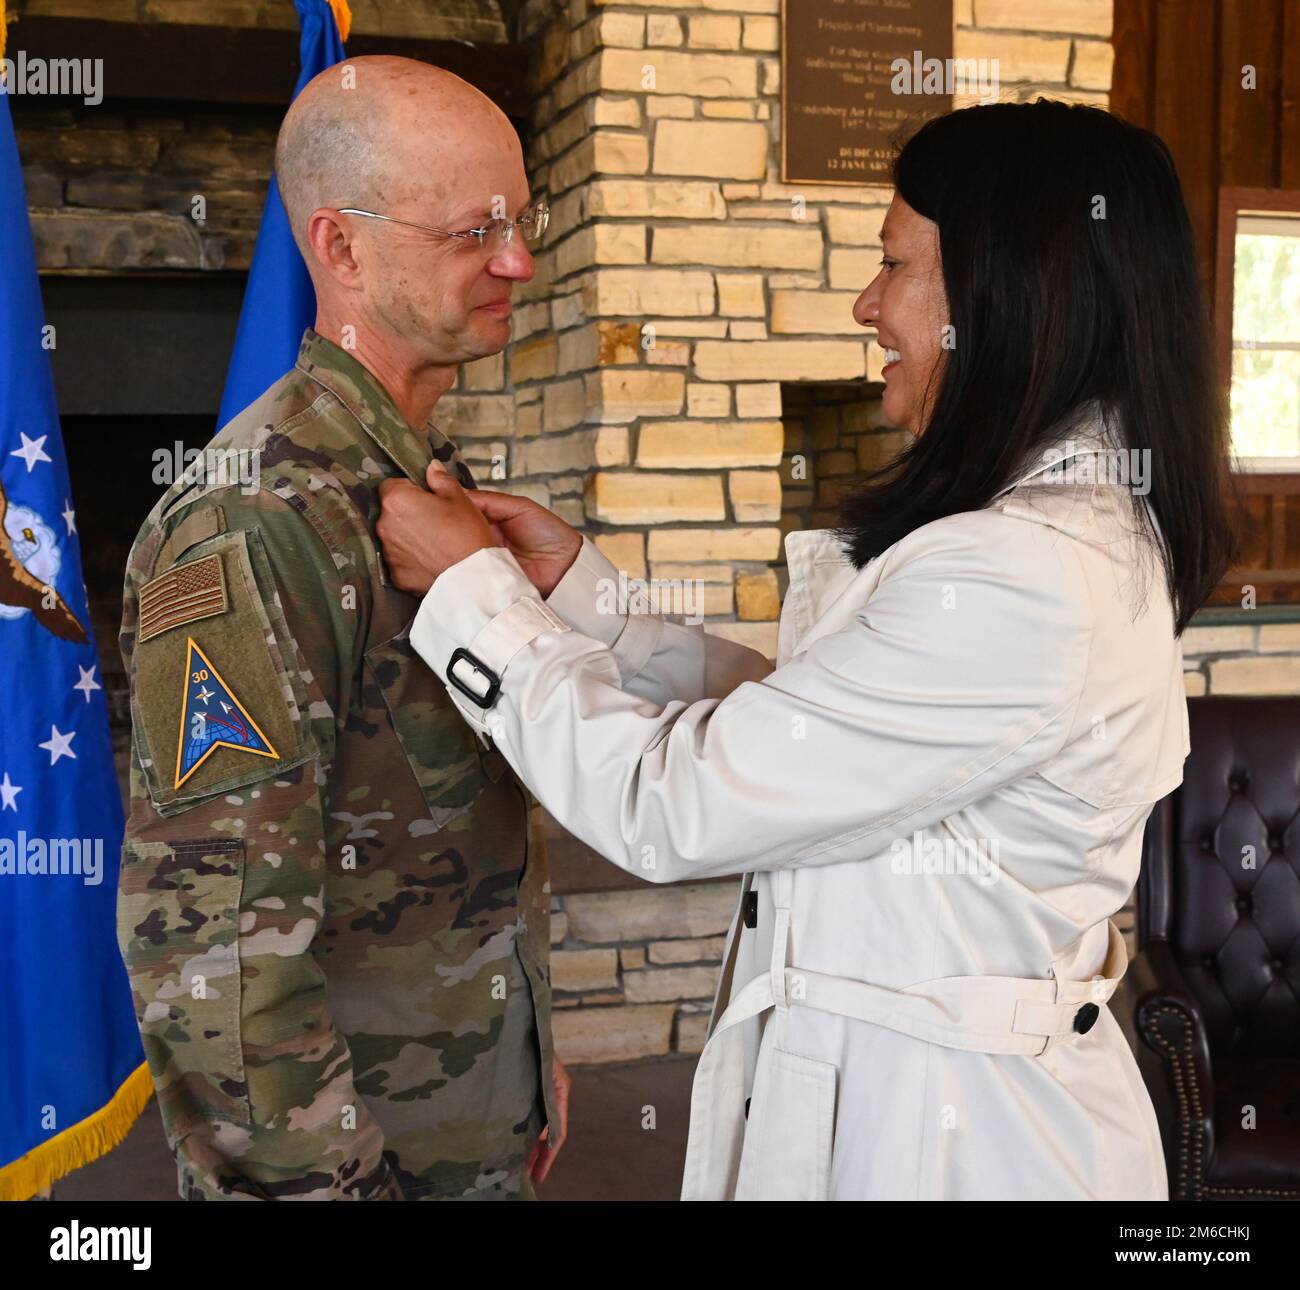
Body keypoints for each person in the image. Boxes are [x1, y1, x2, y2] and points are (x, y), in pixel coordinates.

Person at [376, 100, 1237, 1200]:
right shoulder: (1055, 536)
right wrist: (584, 608)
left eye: (892, 266)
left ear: (1006, 292)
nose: (865, 304)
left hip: (946, 1140)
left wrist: (470, 597)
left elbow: (672, 803)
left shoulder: (1020, 572)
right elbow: (825, 721)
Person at [117, 56, 568, 1201]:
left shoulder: (425, 482)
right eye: (474, 229)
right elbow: (213, 946)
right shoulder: (253, 520)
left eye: (522, 219)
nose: (517, 261)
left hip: (466, 1127)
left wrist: (525, 1063)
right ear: (343, 246)